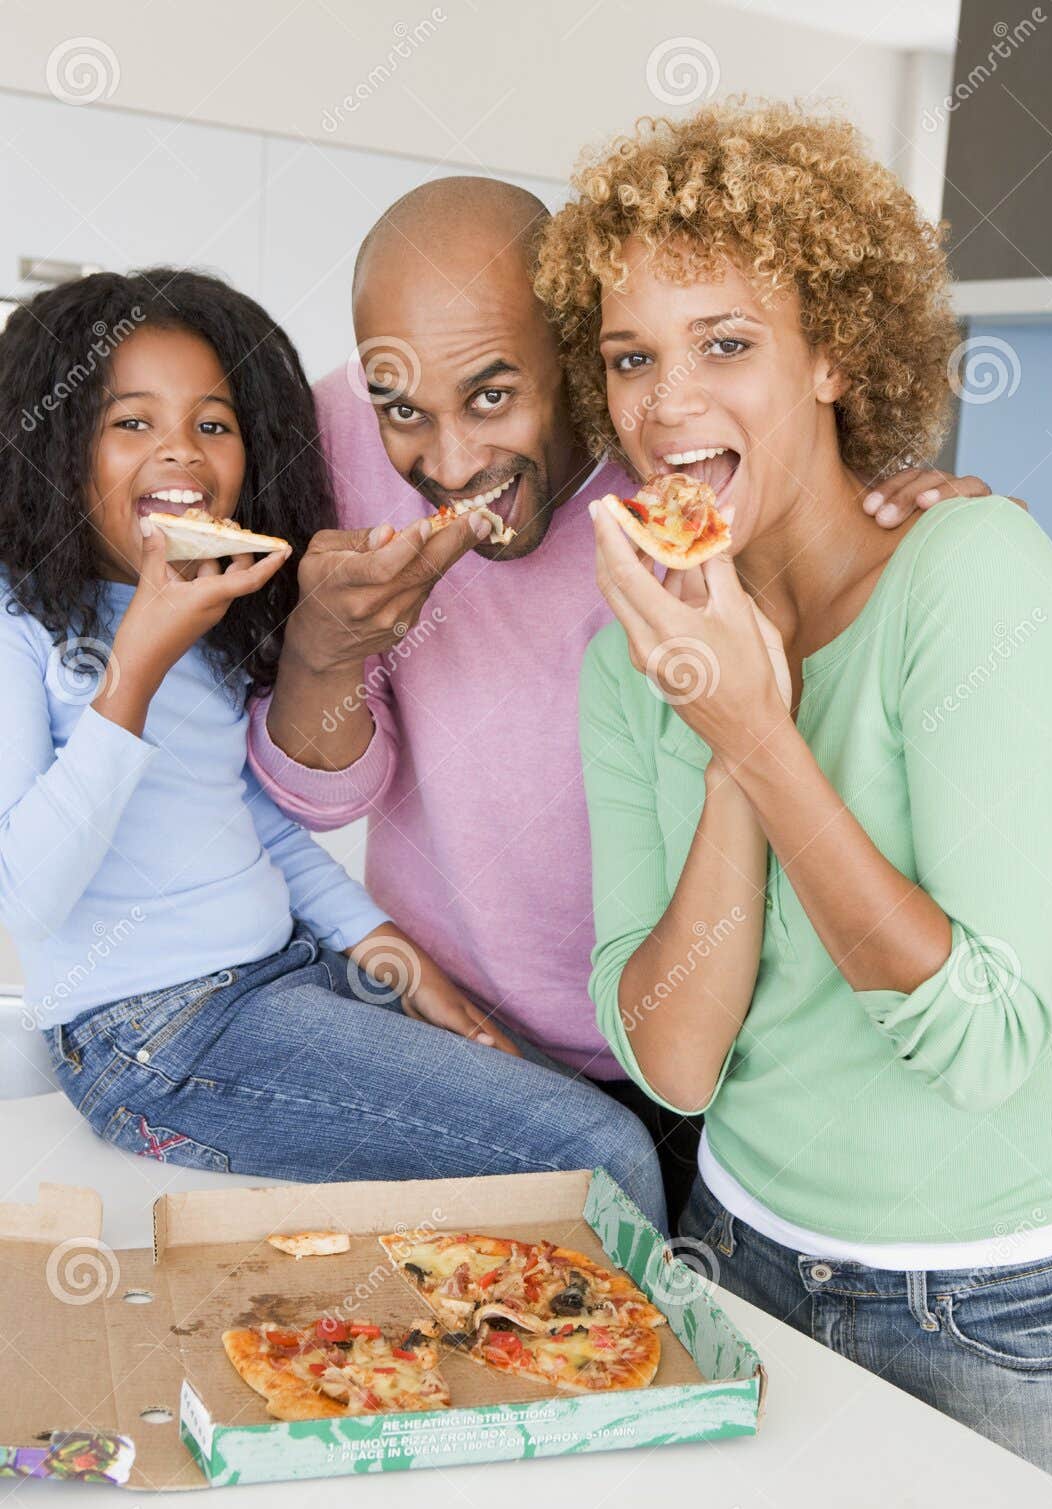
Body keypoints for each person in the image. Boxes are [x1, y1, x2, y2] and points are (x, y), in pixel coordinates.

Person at [248, 174, 994, 1227]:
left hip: (713, 1055)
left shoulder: (691, 479)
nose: (450, 457)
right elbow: (314, 798)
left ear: (579, 361)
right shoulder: (336, 436)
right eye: (404, 408)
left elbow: (834, 580)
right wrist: (321, 654)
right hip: (457, 1038)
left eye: (493, 396)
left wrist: (929, 513)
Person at [535, 101, 1052, 1478]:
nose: (667, 404)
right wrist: (722, 736)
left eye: (725, 343)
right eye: (630, 358)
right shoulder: (626, 670)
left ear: (832, 352)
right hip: (731, 1259)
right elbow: (674, 1058)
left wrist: (765, 738)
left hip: (983, 1313)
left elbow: (989, 1040)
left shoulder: (970, 577)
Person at [0, 266, 668, 1231]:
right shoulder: (23, 621)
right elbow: (27, 896)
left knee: (543, 1086)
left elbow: (258, 830)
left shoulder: (206, 607)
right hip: (157, 1037)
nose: (180, 454)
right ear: (58, 446)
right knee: (596, 1152)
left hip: (284, 973)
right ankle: (638, 1381)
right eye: (131, 423)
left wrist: (411, 972)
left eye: (213, 425)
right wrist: (136, 664)